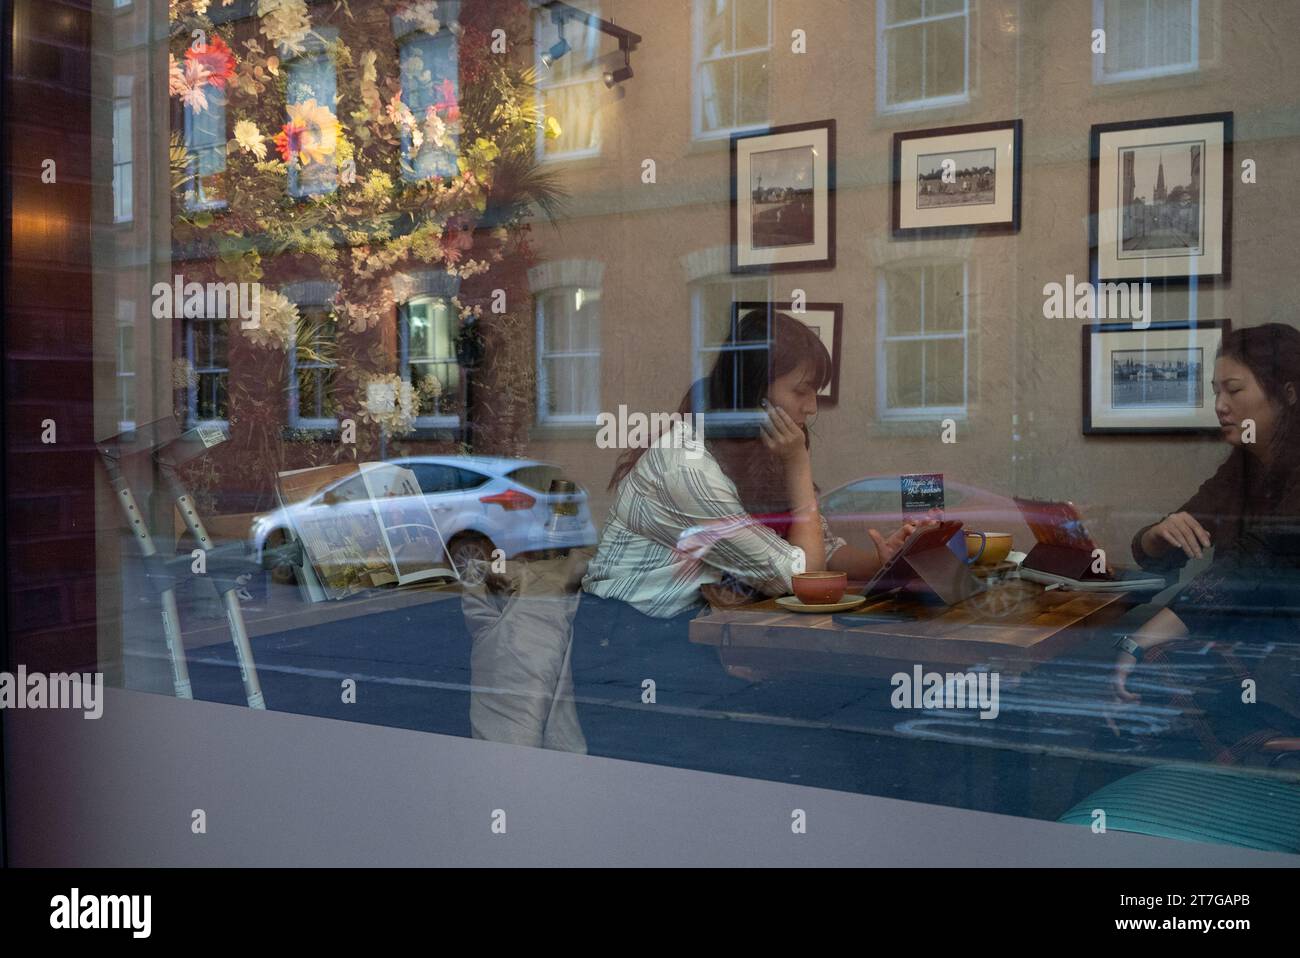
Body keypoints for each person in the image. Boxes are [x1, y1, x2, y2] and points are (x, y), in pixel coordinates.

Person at [568, 309, 927, 757]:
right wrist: (799, 467)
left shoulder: (754, 451)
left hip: (695, 634)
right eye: (801, 391)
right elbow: (801, 579)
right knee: (814, 732)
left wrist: (882, 560)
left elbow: (820, 547)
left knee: (838, 709)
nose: (812, 408)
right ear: (755, 391)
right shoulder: (688, 465)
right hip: (630, 648)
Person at [1112, 324, 1300, 763]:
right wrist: (1159, 534)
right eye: (1216, 391)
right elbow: (1159, 550)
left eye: (1233, 390)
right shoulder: (1243, 467)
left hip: (1282, 669)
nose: (1220, 406)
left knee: (1144, 677)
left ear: (1289, 393)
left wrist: (1137, 642)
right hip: (1256, 659)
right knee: (1133, 699)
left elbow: (1252, 570)